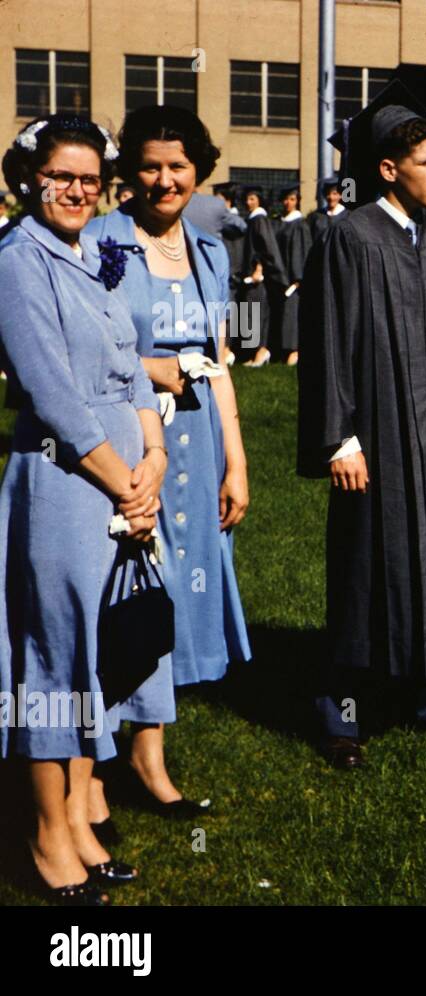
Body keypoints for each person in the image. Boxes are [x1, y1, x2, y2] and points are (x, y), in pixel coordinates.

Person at [298, 81, 426, 770]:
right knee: (366, 570)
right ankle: (340, 713)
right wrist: (339, 437)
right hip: (375, 441)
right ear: (388, 168)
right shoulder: (348, 239)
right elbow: (325, 344)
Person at [0, 114, 166, 904]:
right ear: (31, 179)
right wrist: (123, 481)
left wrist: (156, 459)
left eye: (90, 179)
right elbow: (52, 393)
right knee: (52, 660)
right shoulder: (17, 261)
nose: (77, 190)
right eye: (61, 176)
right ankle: (44, 834)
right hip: (66, 485)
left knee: (93, 660)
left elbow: (131, 368)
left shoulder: (89, 256)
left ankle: (76, 818)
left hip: (126, 481)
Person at [85, 103, 252, 818]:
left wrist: (236, 459)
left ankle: (148, 752)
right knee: (125, 586)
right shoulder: (100, 240)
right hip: (128, 442)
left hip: (200, 443)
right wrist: (157, 371)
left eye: (177, 165)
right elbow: (88, 349)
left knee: (178, 593)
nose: (163, 179)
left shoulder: (211, 250)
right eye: (149, 165)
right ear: (129, 171)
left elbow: (217, 363)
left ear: (199, 170)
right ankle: (94, 758)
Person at [236, 184, 285, 367]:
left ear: (259, 201)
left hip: (257, 277)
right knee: (250, 312)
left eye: (252, 199)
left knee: (256, 312)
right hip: (249, 276)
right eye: (247, 199)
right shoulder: (252, 219)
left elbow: (265, 248)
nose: (249, 202)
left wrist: (259, 267)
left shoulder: (260, 220)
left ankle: (261, 351)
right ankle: (252, 352)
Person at [273, 185, 312, 366]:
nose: (288, 203)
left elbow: (302, 252)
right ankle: (279, 349)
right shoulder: (278, 222)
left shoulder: (301, 225)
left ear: (297, 202)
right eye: (286, 199)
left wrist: (298, 279)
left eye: (292, 199)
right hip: (278, 277)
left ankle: (294, 350)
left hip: (292, 281)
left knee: (291, 314)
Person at [212, 182, 247, 367]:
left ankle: (227, 349)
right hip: (223, 271)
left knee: (228, 312)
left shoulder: (233, 220)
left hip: (231, 272)